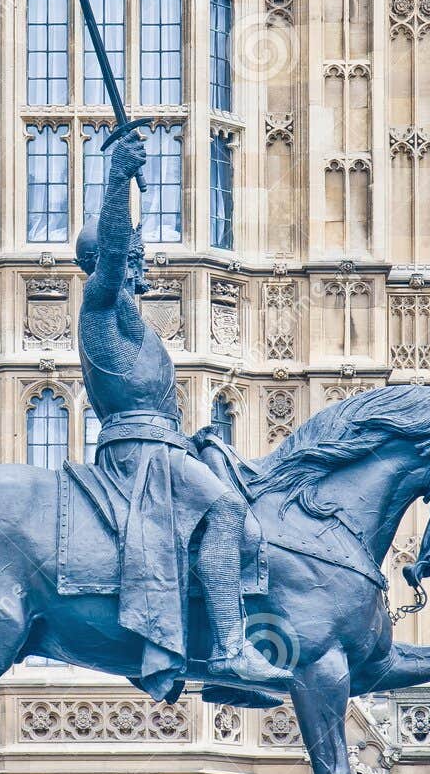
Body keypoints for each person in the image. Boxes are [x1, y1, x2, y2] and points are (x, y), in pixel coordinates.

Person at [73, 129, 284, 702]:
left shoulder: (134, 326)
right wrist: (119, 177)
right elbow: (113, 250)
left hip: (165, 447)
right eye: (137, 257)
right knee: (224, 509)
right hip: (138, 456)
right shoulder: (100, 307)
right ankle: (231, 651)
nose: (144, 264)